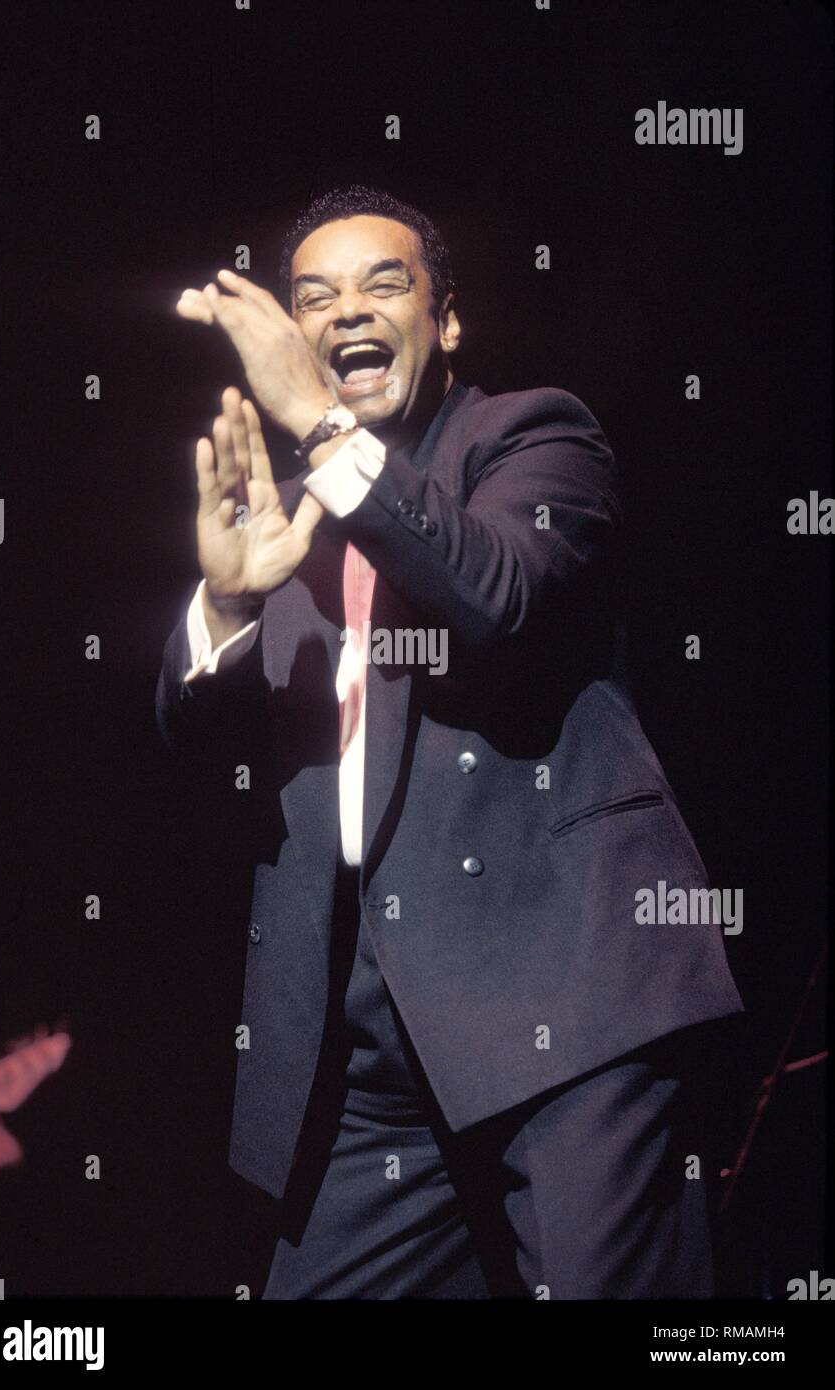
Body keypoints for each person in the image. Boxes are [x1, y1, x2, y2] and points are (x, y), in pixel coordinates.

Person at [156, 185, 743, 1299]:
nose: (347, 314)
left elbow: (499, 595)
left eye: (386, 284)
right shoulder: (285, 518)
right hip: (362, 1045)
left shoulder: (533, 435)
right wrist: (227, 610)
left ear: (447, 319)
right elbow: (188, 768)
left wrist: (322, 431)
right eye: (315, 297)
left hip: (563, 1005)